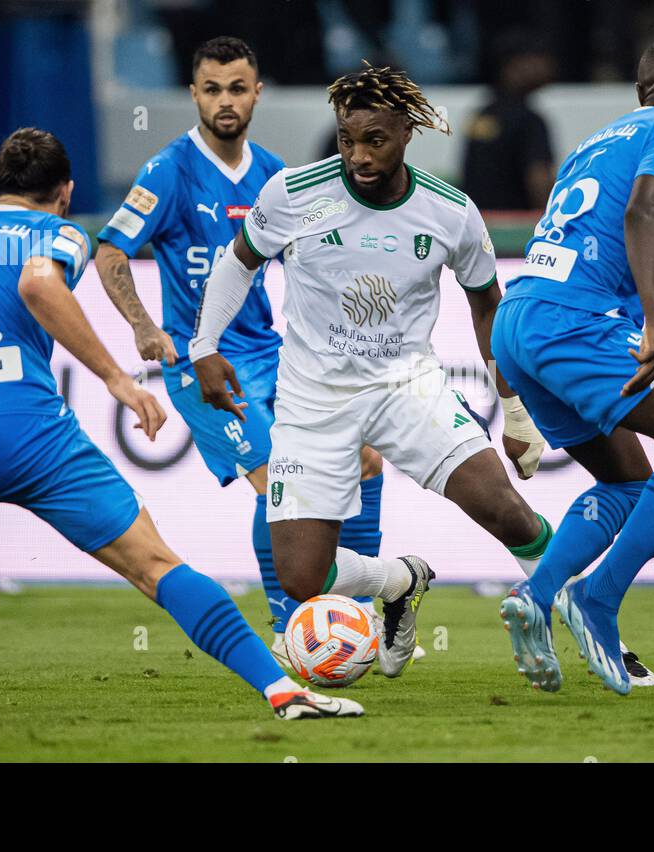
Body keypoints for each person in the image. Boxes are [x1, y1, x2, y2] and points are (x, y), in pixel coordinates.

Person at [0, 127, 360, 721]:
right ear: (65, 192)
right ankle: (284, 691)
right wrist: (116, 379)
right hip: (23, 435)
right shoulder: (56, 231)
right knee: (156, 566)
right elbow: (39, 284)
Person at [189, 63, 557, 680]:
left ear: (408, 132)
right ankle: (399, 581)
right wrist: (203, 346)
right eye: (346, 139)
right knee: (305, 578)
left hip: (406, 386)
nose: (357, 154)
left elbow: (488, 305)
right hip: (312, 398)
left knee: (507, 511)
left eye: (375, 140)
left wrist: (516, 411)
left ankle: (593, 627)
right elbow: (238, 262)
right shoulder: (292, 192)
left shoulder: (451, 211)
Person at [94, 37, 388, 665]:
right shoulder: (169, 171)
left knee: (364, 461)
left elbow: (323, 264)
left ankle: (358, 618)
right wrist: (146, 327)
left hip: (276, 353)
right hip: (201, 365)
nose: (224, 101)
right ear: (193, 94)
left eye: (236, 88)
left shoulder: (276, 175)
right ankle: (292, 626)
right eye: (211, 88)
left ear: (257, 92)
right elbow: (111, 250)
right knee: (282, 482)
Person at [492, 40, 654, 696]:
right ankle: (596, 601)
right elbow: (642, 210)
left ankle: (538, 591)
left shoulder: (596, 140)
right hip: (578, 320)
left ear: (639, 91)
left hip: (519, 317)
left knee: (628, 481)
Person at [461, 29, 556, 211]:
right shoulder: (529, 121)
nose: (546, 65)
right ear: (512, 67)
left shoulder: (480, 115)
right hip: (517, 230)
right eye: (536, 58)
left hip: (478, 226)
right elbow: (539, 182)